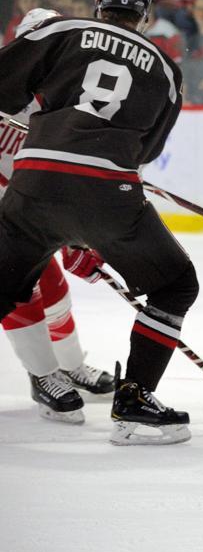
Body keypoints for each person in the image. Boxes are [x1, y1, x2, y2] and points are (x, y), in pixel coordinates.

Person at [0, 0, 195, 445]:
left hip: (36, 182)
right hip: (110, 192)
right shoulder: (167, 69)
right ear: (146, 10)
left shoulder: (63, 29)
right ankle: (134, 402)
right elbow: (145, 152)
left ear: (98, 2)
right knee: (174, 285)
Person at [0, 92, 115, 424]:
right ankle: (44, 376)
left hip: (22, 210)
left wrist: (75, 234)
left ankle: (70, 366)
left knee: (54, 291)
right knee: (20, 288)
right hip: (12, 214)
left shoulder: (49, 93)